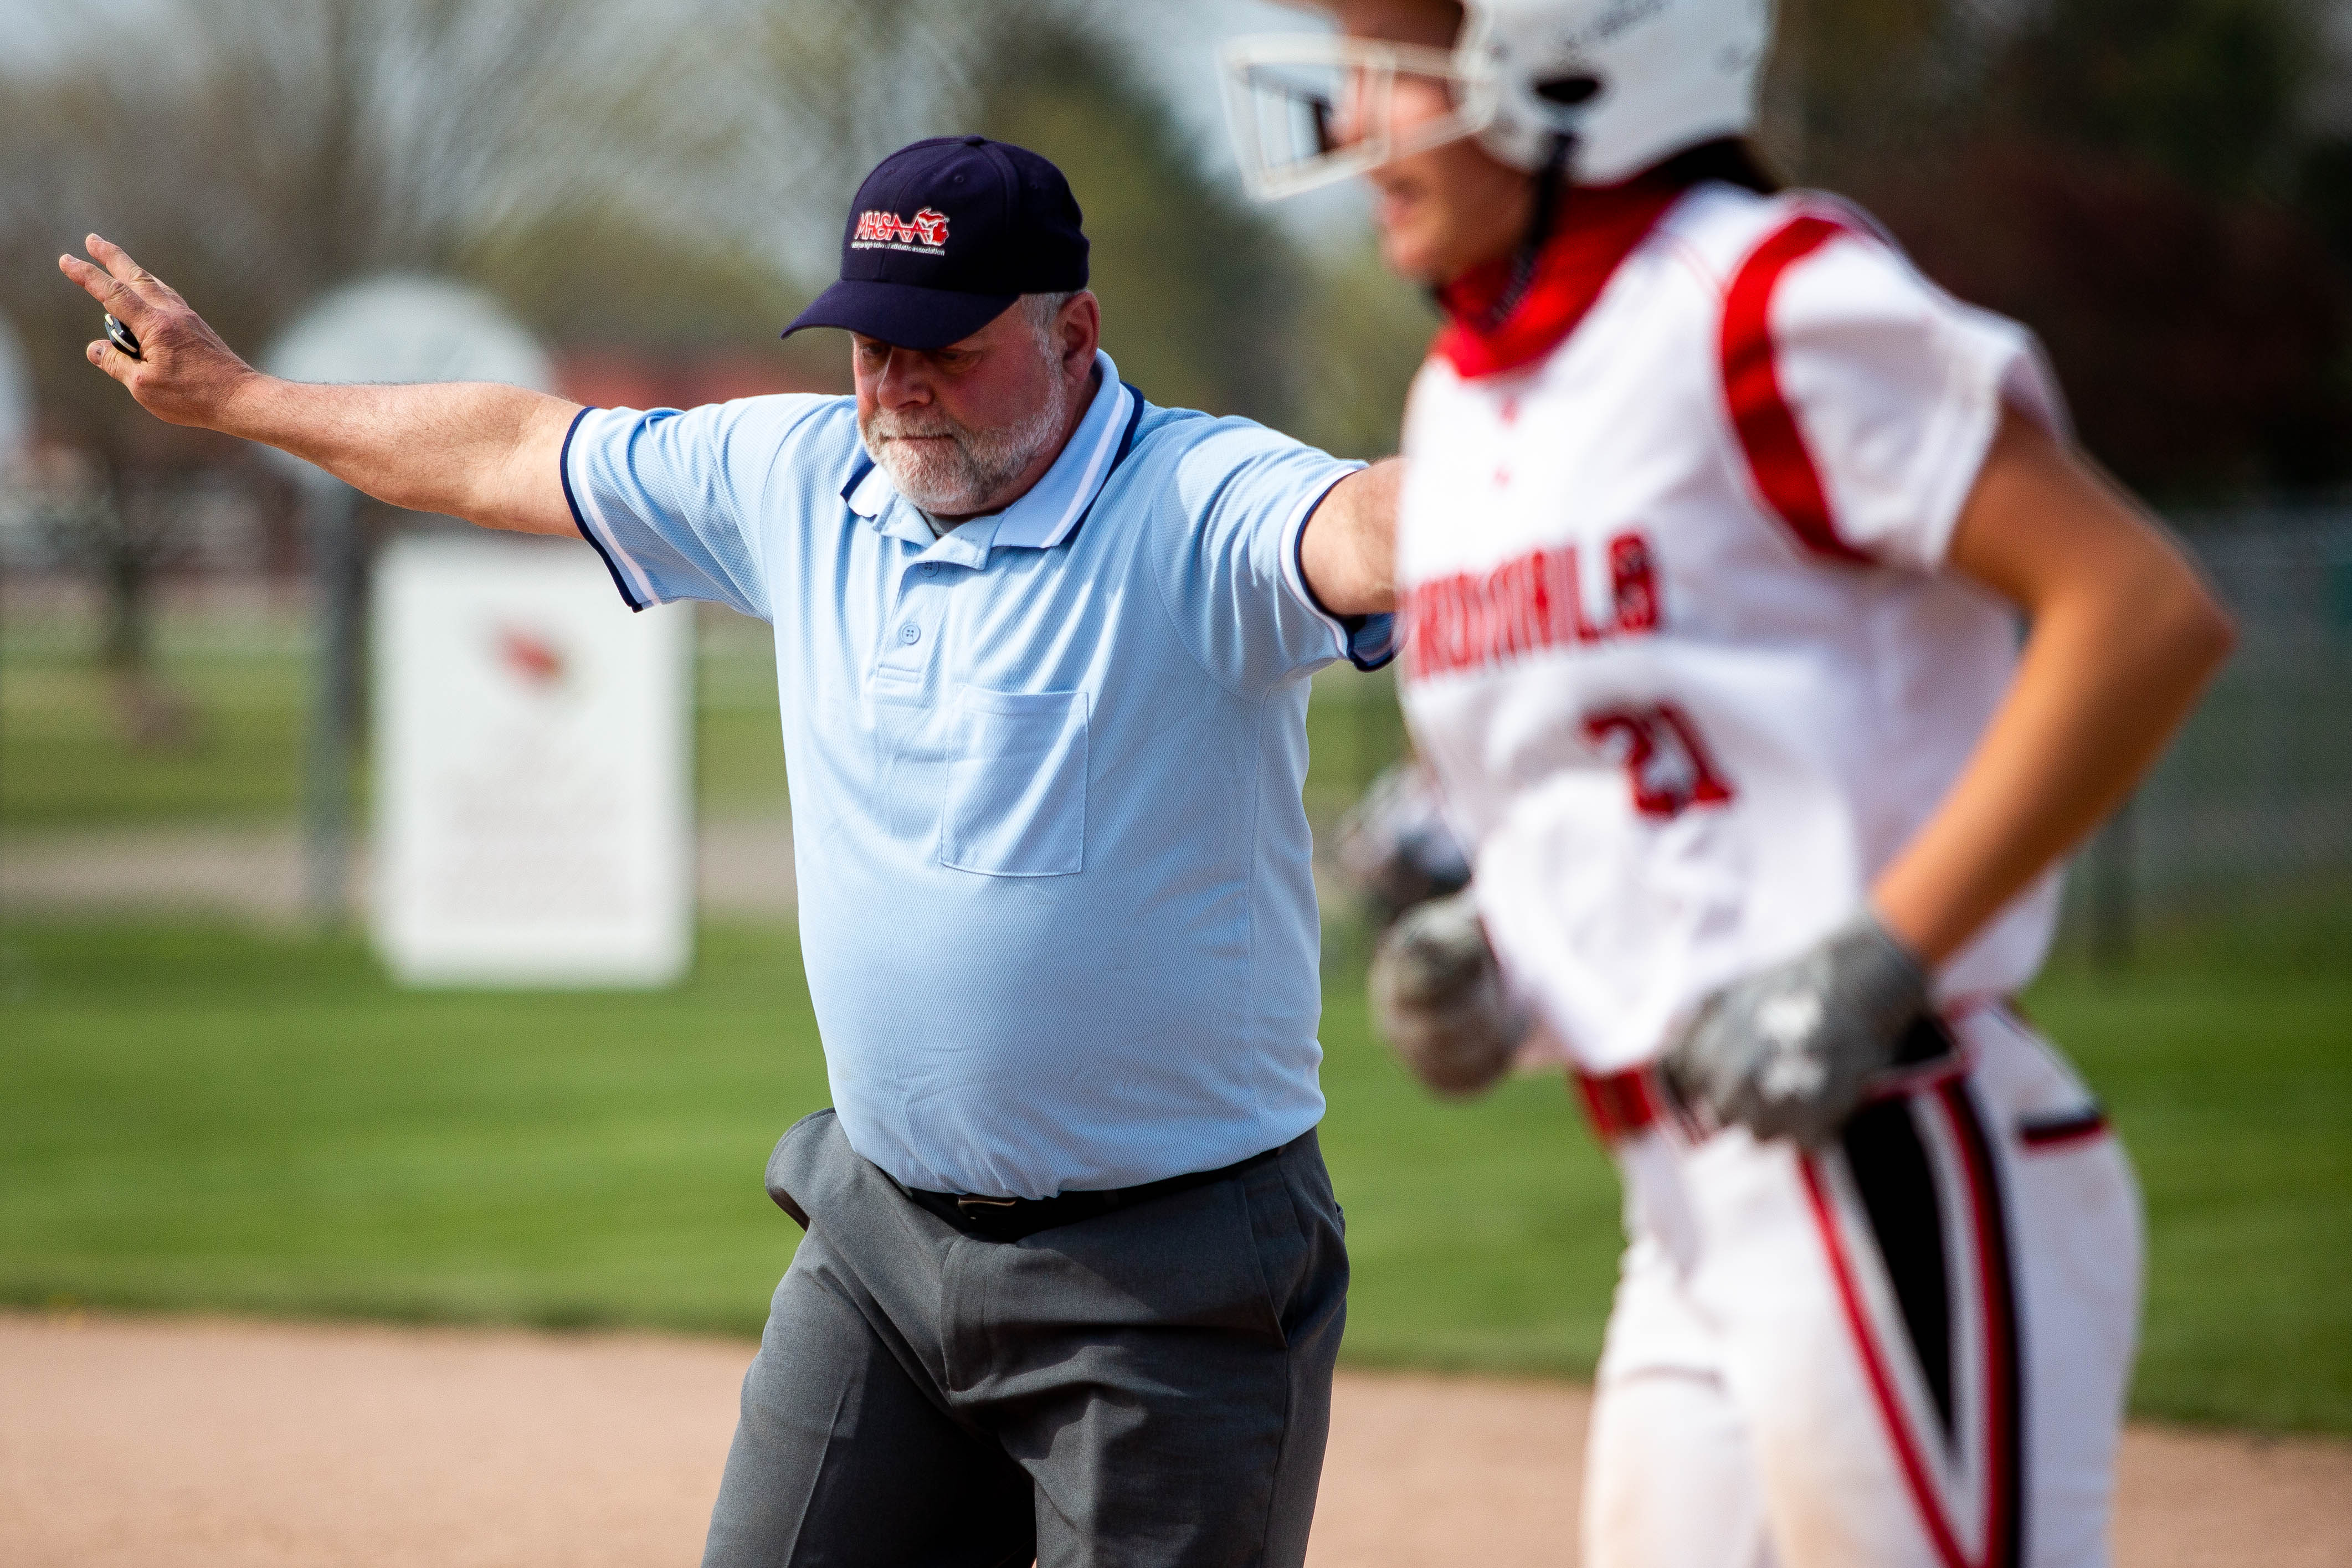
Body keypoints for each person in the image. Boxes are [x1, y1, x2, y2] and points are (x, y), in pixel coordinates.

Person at [64, 135, 1403, 1568]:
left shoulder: (1195, 500)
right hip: (881, 1245)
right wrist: (247, 399)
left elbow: (1366, 527)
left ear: (1072, 333)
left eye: (940, 348)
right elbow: (515, 449)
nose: (894, 388)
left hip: (1173, 1278)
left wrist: (1541, 472)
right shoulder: (799, 474)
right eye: (868, 344)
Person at [1224, 4, 2233, 1566]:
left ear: (1570, 51)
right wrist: (1505, 950)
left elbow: (2139, 611)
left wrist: (1878, 947)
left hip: (1891, 1137)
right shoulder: (1469, 401)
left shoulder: (1765, 297)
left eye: (1399, 61)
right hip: (1679, 1204)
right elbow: (1647, 782)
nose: (1360, 122)